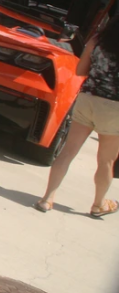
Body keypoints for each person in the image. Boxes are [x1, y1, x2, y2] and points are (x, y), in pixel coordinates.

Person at [36, 17, 119, 217]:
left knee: (68, 152)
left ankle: (47, 198)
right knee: (106, 161)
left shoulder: (98, 40)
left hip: (88, 98)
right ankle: (99, 204)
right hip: (114, 108)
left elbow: (80, 70)